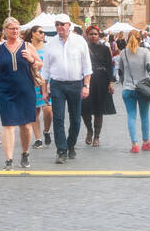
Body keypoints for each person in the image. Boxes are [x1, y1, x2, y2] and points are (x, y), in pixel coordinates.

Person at [0, 17, 39, 170]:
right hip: (5, 91)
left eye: (17, 28)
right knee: (8, 125)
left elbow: (39, 63)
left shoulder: (27, 46)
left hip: (26, 90)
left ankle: (25, 153)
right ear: (4, 30)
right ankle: (9, 159)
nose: (15, 31)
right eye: (12, 28)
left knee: (25, 126)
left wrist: (31, 59)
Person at [41, 14, 92, 164]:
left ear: (69, 25)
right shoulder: (50, 44)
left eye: (63, 24)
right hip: (57, 85)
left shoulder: (79, 41)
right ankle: (61, 150)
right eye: (57, 24)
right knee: (58, 118)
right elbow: (45, 71)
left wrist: (86, 85)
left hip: (76, 84)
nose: (60, 27)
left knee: (76, 119)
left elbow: (87, 66)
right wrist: (44, 90)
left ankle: (71, 144)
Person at [118, 29, 150, 153]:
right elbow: (149, 68)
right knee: (144, 116)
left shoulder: (123, 53)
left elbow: (120, 72)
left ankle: (134, 144)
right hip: (143, 90)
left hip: (128, 89)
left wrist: (124, 84)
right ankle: (145, 142)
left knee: (131, 116)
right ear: (140, 39)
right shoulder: (145, 52)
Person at [82, 24, 117, 146]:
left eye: (95, 34)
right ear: (87, 35)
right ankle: (89, 130)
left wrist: (111, 82)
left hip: (101, 81)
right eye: (91, 34)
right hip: (86, 81)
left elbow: (109, 66)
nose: (93, 36)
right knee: (85, 110)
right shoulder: (83, 48)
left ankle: (97, 136)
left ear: (98, 35)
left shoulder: (105, 49)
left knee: (99, 110)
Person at [24, 24, 51, 148]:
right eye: (40, 32)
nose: (42, 34)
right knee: (34, 111)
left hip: (46, 81)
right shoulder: (27, 47)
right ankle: (38, 139)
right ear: (33, 33)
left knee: (48, 110)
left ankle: (46, 130)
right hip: (31, 81)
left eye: (43, 32)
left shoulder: (47, 47)